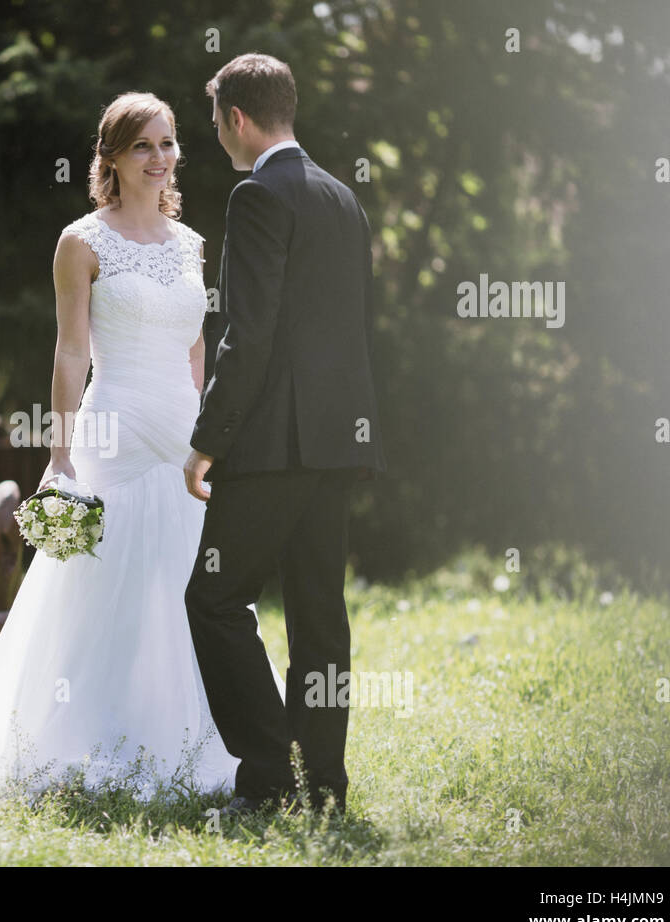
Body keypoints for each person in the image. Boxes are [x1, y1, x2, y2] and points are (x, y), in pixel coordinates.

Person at [0, 91, 285, 803]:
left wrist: (209, 435)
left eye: (167, 144)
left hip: (181, 441)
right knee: (100, 587)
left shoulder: (190, 244)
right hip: (113, 436)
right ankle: (92, 733)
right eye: (142, 147)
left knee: (191, 586)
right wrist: (60, 455)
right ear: (112, 158)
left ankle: (217, 740)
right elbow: (71, 354)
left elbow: (197, 349)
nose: (159, 159)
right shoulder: (81, 241)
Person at [183, 54, 387, 818]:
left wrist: (210, 438)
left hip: (273, 446)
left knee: (213, 599)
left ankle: (270, 776)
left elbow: (249, 333)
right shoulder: (342, 198)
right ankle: (321, 784)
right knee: (317, 615)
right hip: (338, 445)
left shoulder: (256, 195)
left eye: (213, 124)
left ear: (236, 118)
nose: (216, 138)